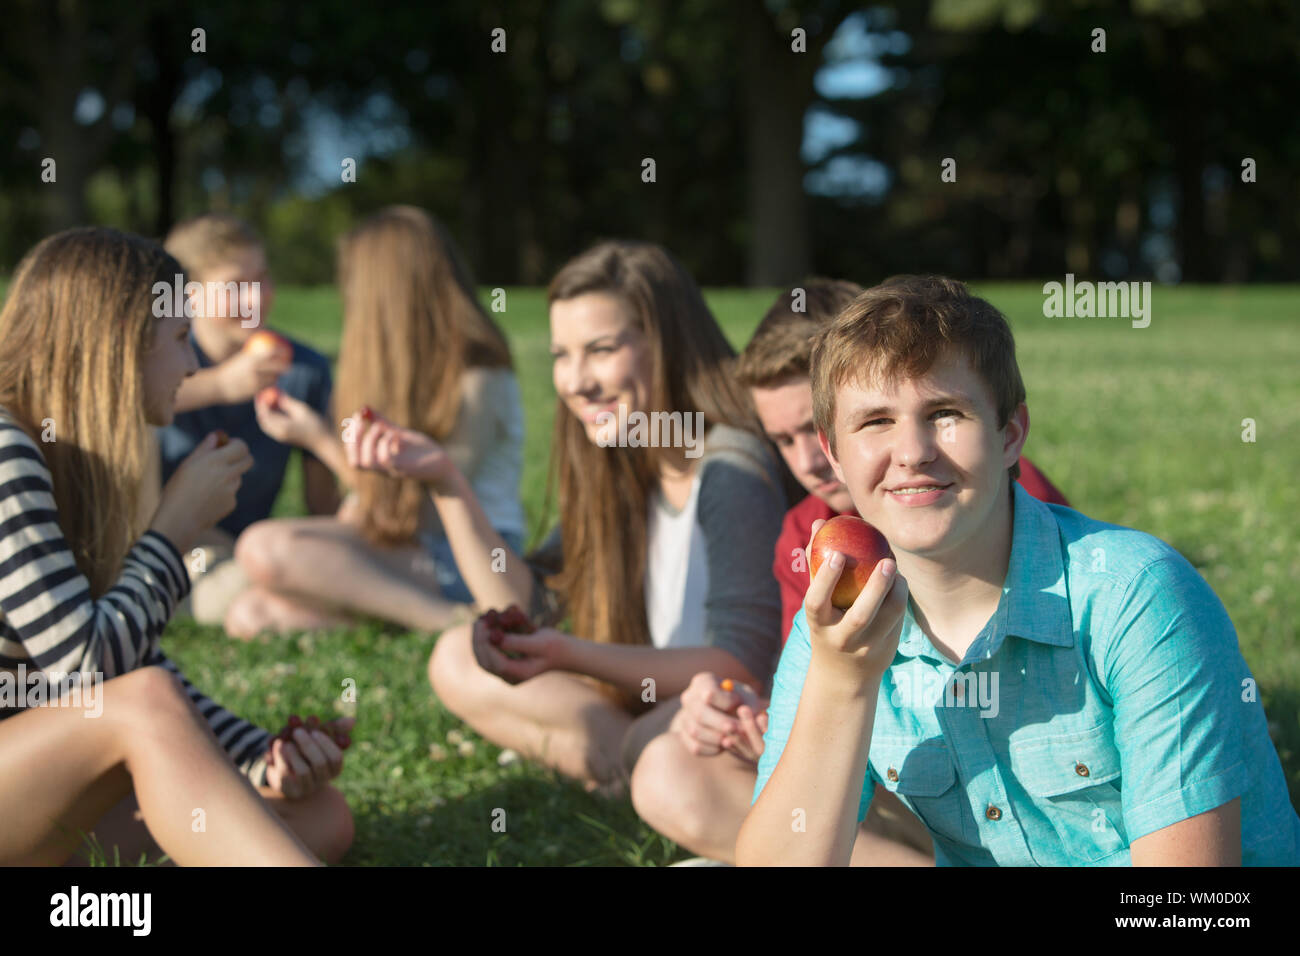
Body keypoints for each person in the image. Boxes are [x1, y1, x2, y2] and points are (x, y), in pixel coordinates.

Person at [737, 275, 1300, 866]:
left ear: (1010, 436)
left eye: (945, 412)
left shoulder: (1134, 595)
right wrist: (842, 683)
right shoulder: (834, 631)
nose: (912, 451)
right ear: (834, 454)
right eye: (876, 422)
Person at [634, 278, 1072, 864]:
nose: (808, 462)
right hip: (897, 776)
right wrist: (743, 709)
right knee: (670, 768)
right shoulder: (808, 535)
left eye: (928, 414)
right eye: (784, 440)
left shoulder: (986, 494)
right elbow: (818, 677)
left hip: (1025, 766)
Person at [347, 240, 793, 794]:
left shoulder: (730, 469)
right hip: (662, 709)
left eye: (601, 349)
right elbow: (527, 607)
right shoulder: (624, 457)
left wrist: (569, 653)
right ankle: (629, 766)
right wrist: (445, 482)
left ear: (666, 343)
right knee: (455, 658)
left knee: (645, 743)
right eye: (562, 355)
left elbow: (740, 664)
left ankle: (628, 765)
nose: (576, 381)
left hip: (737, 708)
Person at [0, 227, 353, 865]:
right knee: (141, 706)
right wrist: (173, 529)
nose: (193, 367)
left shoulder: (74, 462)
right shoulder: (6, 449)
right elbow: (90, 674)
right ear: (120, 344)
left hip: (30, 786)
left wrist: (258, 755)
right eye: (181, 338)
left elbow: (132, 663)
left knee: (316, 816)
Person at [225, 206, 525, 637]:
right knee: (249, 615)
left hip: (473, 558)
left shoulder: (479, 374)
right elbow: (371, 512)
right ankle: (398, 612)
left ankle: (453, 623)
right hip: (406, 550)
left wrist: (319, 441)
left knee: (261, 548)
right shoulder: (391, 370)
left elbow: (429, 514)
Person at [154, 214, 338, 625]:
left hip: (250, 549)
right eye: (236, 287)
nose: (256, 299)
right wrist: (220, 385)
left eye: (263, 279)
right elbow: (116, 400)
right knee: (240, 596)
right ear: (190, 295)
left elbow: (322, 506)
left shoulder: (303, 369)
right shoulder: (155, 359)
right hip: (165, 547)